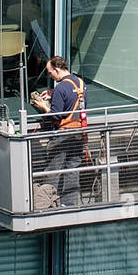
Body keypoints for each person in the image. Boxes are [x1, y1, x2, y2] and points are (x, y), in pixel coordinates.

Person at [32, 56, 88, 207]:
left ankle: (48, 202)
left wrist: (43, 106)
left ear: (56, 70)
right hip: (79, 132)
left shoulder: (60, 88)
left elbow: (56, 114)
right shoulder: (81, 83)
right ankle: (68, 203)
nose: (50, 76)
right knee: (72, 169)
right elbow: (74, 100)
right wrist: (53, 94)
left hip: (63, 134)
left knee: (53, 169)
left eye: (50, 73)